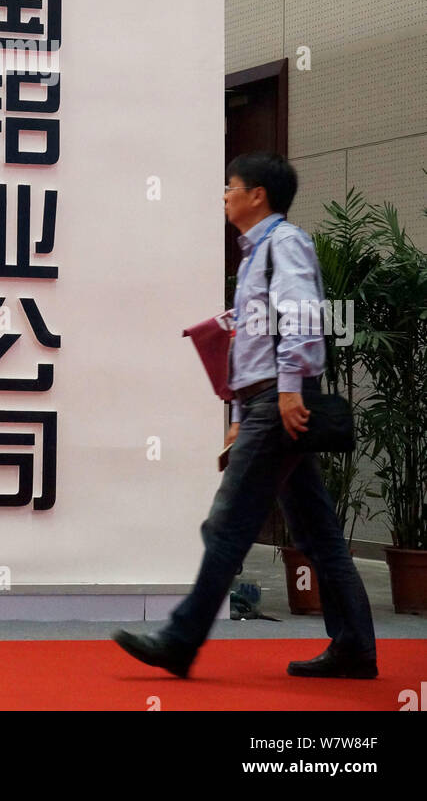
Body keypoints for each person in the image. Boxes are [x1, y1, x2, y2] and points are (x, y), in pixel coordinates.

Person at [113, 151, 377, 680]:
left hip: (280, 401)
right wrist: (239, 409)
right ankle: (354, 648)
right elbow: (249, 341)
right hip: (266, 401)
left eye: (230, 185)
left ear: (258, 194)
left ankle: (181, 640)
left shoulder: (283, 244)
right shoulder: (257, 253)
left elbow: (301, 314)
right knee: (317, 532)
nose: (225, 195)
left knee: (227, 523)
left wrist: (285, 390)